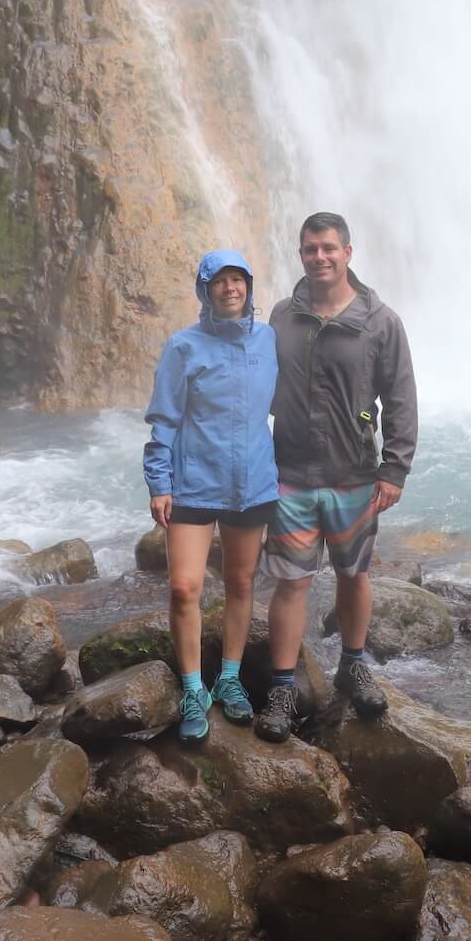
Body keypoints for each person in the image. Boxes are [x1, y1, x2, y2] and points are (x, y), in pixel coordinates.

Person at [255, 211, 417, 742]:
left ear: (348, 252)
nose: (319, 257)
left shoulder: (380, 321)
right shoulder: (283, 316)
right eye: (310, 249)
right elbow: (259, 387)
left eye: (328, 248)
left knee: (353, 573)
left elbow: (400, 397)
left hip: (354, 472)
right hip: (291, 472)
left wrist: (394, 468)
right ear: (301, 254)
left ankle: (352, 664)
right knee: (291, 581)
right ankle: (283, 687)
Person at [143, 250, 278, 744]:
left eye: (237, 279)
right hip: (194, 482)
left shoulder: (269, 340)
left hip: (251, 482)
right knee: (184, 587)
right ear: (205, 290)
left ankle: (230, 679)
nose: (230, 288)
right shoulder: (183, 347)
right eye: (219, 281)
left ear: (249, 286)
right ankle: (193, 689)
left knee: (241, 582)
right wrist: (159, 482)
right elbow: (164, 418)